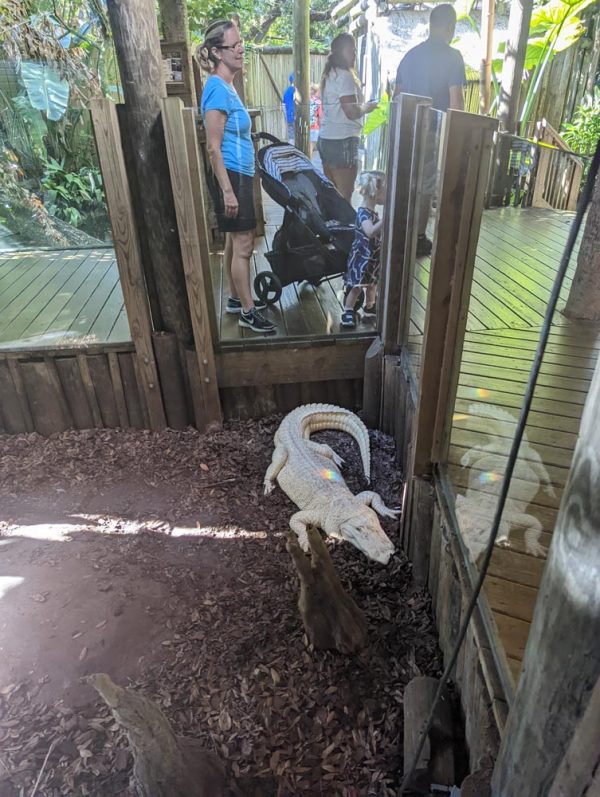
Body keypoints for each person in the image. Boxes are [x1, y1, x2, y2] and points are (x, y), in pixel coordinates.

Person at [198, 20, 274, 334]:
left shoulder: (227, 85)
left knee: (234, 239)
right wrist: (228, 191)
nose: (241, 49)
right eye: (234, 46)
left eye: (241, 43)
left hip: (239, 173)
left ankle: (234, 298)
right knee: (244, 244)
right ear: (217, 52)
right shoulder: (216, 87)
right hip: (230, 175)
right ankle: (247, 310)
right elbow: (213, 147)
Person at [394, 4, 466, 256]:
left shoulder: (409, 56)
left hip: (405, 129)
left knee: (406, 181)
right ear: (450, 26)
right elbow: (456, 103)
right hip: (433, 131)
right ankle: (419, 237)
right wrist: (458, 140)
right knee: (425, 185)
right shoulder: (453, 57)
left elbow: (397, 97)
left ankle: (399, 230)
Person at [318, 33, 378, 202]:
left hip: (327, 139)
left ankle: (331, 227)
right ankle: (344, 228)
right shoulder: (344, 76)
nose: (354, 55)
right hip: (342, 142)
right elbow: (351, 112)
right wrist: (369, 107)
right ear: (343, 51)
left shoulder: (330, 74)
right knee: (344, 196)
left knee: (333, 196)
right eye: (352, 51)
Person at [341, 171, 385, 328]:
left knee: (372, 284)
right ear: (375, 192)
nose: (387, 195)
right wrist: (385, 220)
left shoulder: (372, 212)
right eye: (385, 192)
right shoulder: (363, 213)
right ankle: (347, 310)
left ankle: (370, 306)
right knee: (357, 286)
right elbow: (370, 231)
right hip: (362, 257)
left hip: (372, 256)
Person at [309, 83, 322, 158]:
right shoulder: (318, 102)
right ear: (317, 92)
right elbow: (320, 116)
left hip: (306, 125)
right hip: (314, 127)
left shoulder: (306, 101)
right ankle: (309, 163)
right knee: (311, 147)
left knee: (308, 146)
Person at [282, 73, 295, 143]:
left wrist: (286, 116)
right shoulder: (295, 91)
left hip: (289, 116)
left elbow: (283, 105)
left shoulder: (286, 91)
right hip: (296, 117)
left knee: (291, 137)